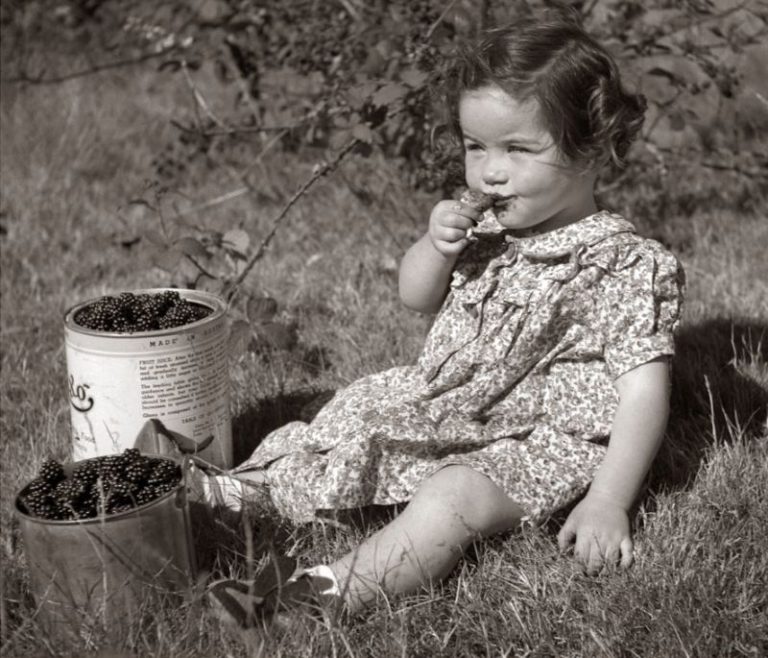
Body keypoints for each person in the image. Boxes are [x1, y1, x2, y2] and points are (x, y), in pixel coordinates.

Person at [205, 12, 685, 626]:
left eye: (517, 149)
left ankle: (313, 597)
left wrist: (609, 499)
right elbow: (416, 297)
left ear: (593, 148)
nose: (489, 170)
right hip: (454, 403)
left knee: (451, 498)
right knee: (355, 424)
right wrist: (435, 247)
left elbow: (644, 391)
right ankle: (230, 496)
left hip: (542, 442)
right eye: (474, 146)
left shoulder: (622, 263)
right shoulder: (484, 229)